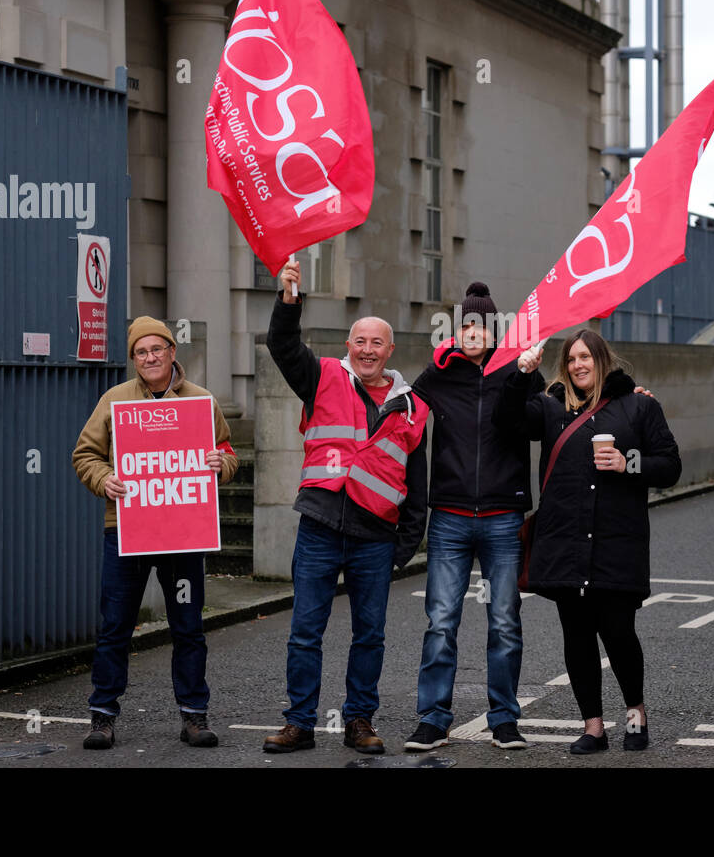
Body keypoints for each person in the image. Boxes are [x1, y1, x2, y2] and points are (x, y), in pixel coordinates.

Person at [262, 259, 428, 755]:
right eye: (360, 341)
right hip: (319, 525)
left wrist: (404, 548)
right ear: (347, 346)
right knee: (304, 631)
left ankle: (359, 721)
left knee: (369, 636)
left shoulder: (413, 407)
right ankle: (299, 722)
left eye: (377, 343)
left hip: (375, 536)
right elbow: (283, 347)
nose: (368, 350)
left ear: (390, 351)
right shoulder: (323, 377)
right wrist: (289, 297)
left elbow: (418, 487)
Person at [495, 328, 680, 754]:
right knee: (576, 636)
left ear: (602, 360)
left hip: (617, 543)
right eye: (572, 358)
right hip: (564, 542)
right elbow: (507, 423)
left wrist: (626, 462)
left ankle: (636, 713)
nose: (579, 364)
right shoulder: (551, 406)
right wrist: (520, 375)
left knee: (618, 633)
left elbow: (670, 465)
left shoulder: (639, 406)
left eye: (587, 357)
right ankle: (593, 727)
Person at [71, 315, 238, 750]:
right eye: (141, 352)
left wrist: (222, 465)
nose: (150, 357)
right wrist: (103, 478)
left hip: (183, 534)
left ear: (171, 352)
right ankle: (102, 717)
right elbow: (84, 454)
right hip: (126, 532)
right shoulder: (114, 400)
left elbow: (226, 450)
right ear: (134, 359)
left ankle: (194, 717)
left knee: (188, 628)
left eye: (157, 349)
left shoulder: (202, 400)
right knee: (115, 627)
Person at [403, 283, 543, 753]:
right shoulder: (439, 374)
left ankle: (504, 719)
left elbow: (543, 421)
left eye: (480, 325)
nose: (471, 332)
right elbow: (402, 416)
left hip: (504, 515)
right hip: (450, 515)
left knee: (504, 620)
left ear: (494, 331)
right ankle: (433, 718)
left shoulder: (516, 371)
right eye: (464, 324)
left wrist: (525, 376)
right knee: (441, 620)